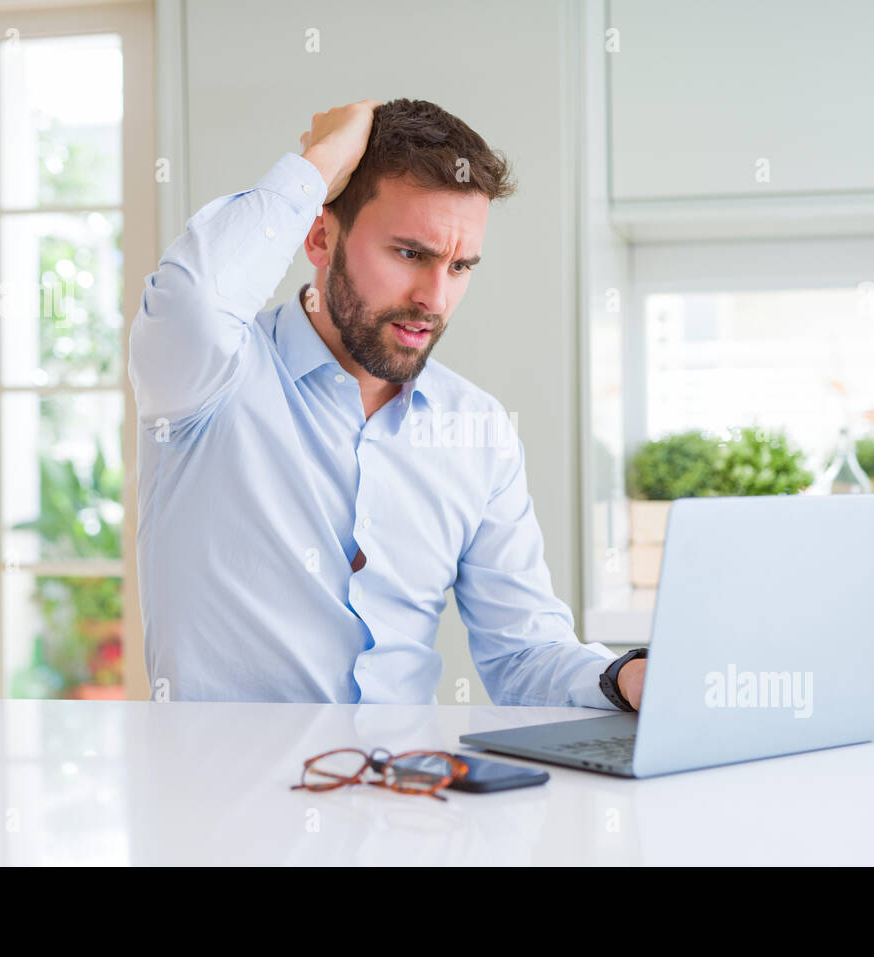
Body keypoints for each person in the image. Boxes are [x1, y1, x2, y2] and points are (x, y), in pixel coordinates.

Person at [128, 98, 647, 709]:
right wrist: (318, 163)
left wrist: (628, 679)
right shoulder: (210, 377)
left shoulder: (478, 430)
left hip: (412, 794)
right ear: (319, 237)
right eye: (410, 254)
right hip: (223, 796)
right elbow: (190, 297)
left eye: (459, 266)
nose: (434, 298)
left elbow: (524, 655)